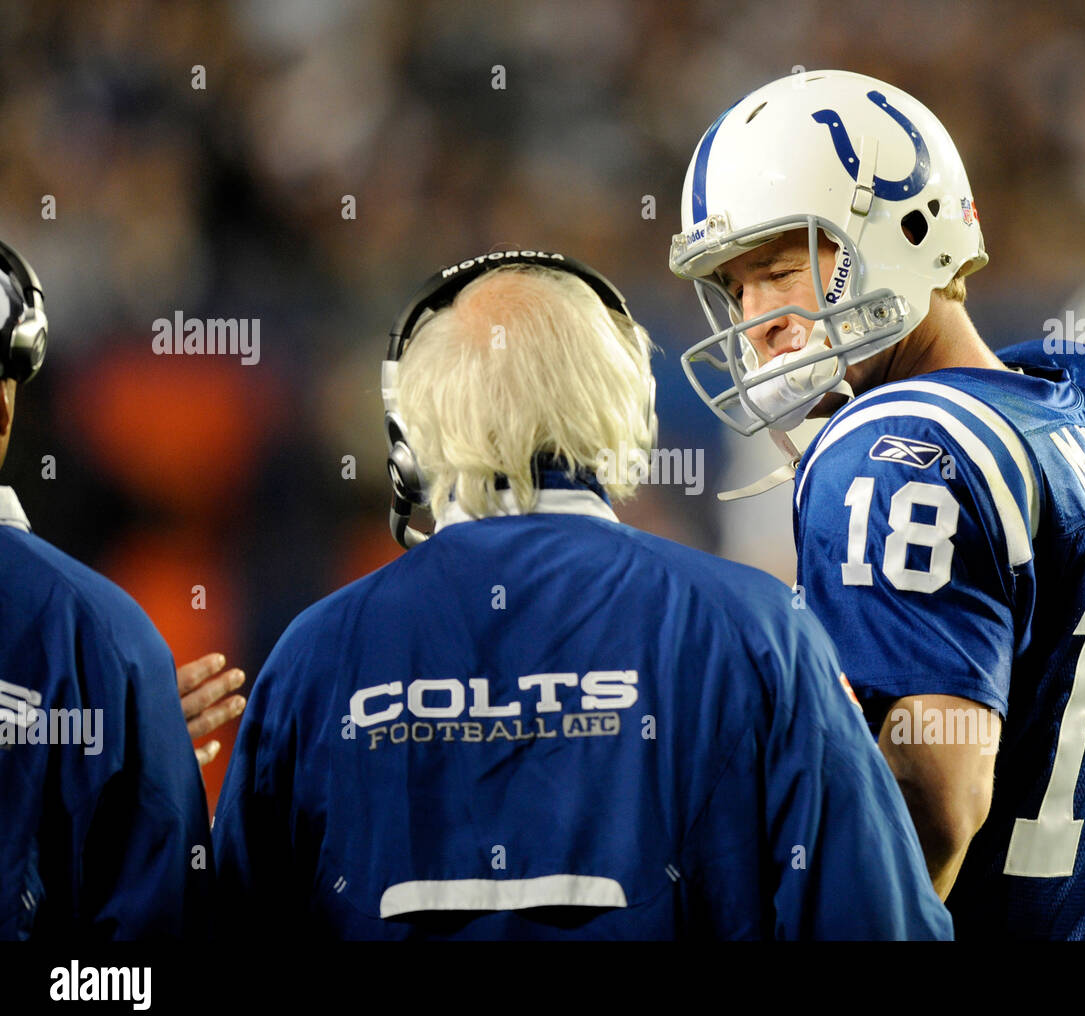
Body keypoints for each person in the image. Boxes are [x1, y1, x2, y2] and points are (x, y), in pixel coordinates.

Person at [212, 249, 950, 940]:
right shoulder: (756, 631)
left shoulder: (315, 655)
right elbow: (877, 923)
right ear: (628, 407)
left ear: (409, 434)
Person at [669, 70, 1085, 940]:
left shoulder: (892, 448)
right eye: (734, 289)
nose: (755, 320)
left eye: (778, 268)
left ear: (904, 229)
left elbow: (933, 799)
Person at [0, 238, 214, 939]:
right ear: (4, 411)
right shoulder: (98, 633)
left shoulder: (97, 644)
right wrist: (109, 739)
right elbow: (139, 974)